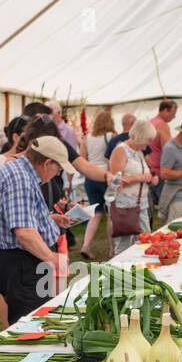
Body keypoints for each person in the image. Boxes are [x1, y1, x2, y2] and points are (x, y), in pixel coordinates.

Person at [0, 136, 77, 323]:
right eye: (58, 169)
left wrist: (50, 220)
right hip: (19, 262)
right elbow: (24, 232)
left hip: (18, 260)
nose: (57, 175)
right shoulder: (20, 179)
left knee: (34, 318)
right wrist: (51, 259)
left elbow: (16, 216)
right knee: (32, 324)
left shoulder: (20, 173)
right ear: (47, 163)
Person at [107, 118, 157, 254]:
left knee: (146, 241)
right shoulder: (121, 150)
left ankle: (142, 268)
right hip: (125, 205)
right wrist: (140, 178)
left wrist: (151, 179)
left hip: (141, 203)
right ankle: (120, 270)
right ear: (140, 137)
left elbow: (141, 174)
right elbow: (114, 180)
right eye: (147, 139)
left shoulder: (139, 152)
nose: (148, 143)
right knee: (124, 244)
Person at [79, 109, 115, 260]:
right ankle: (112, 249)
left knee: (95, 213)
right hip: (105, 176)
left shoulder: (86, 138)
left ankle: (86, 245)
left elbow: (82, 159)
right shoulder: (111, 136)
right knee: (110, 214)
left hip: (90, 177)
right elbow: (112, 159)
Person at [146, 100, 178, 198]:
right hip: (159, 171)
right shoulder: (162, 125)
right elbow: (168, 149)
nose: (174, 117)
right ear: (165, 110)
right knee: (164, 203)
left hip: (148, 169)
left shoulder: (149, 123)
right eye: (173, 114)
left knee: (148, 203)